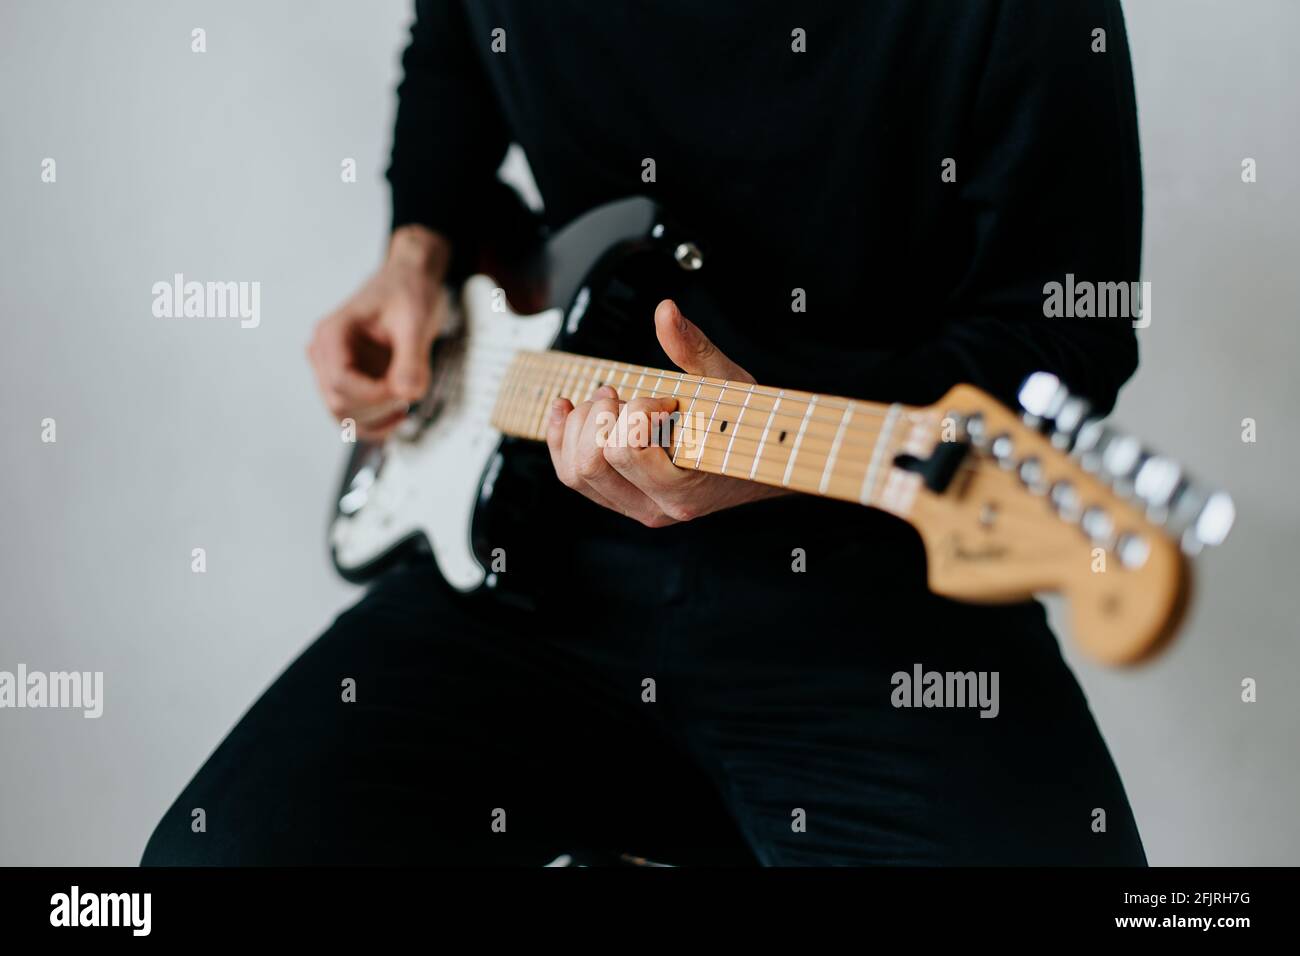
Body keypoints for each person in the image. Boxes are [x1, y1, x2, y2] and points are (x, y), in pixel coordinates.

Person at [143, 0, 1147, 866]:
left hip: (879, 579)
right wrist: (415, 247)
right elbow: (452, 36)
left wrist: (767, 454)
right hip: (534, 559)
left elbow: (1066, 331)